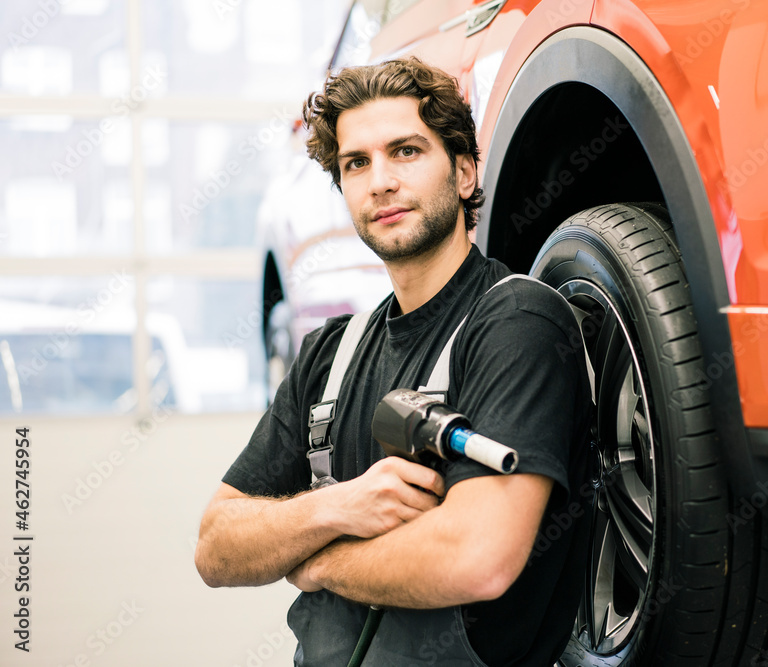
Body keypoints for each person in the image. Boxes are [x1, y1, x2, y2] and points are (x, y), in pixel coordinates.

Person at [194, 57, 591, 666]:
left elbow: (476, 558)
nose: (379, 181)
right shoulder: (330, 353)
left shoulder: (516, 325)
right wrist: (338, 506)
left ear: (463, 173)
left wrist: (320, 559)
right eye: (357, 163)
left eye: (405, 151)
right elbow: (216, 547)